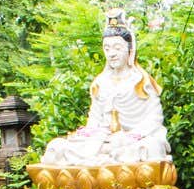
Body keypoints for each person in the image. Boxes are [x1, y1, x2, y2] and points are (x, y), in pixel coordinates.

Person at [41, 20, 170, 166]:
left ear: (130, 50)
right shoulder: (100, 82)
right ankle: (103, 158)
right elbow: (95, 119)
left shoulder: (141, 81)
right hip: (102, 141)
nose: (112, 54)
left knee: (152, 147)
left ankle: (108, 159)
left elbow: (155, 118)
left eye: (117, 48)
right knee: (56, 147)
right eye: (107, 49)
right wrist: (89, 132)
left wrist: (132, 136)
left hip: (133, 140)